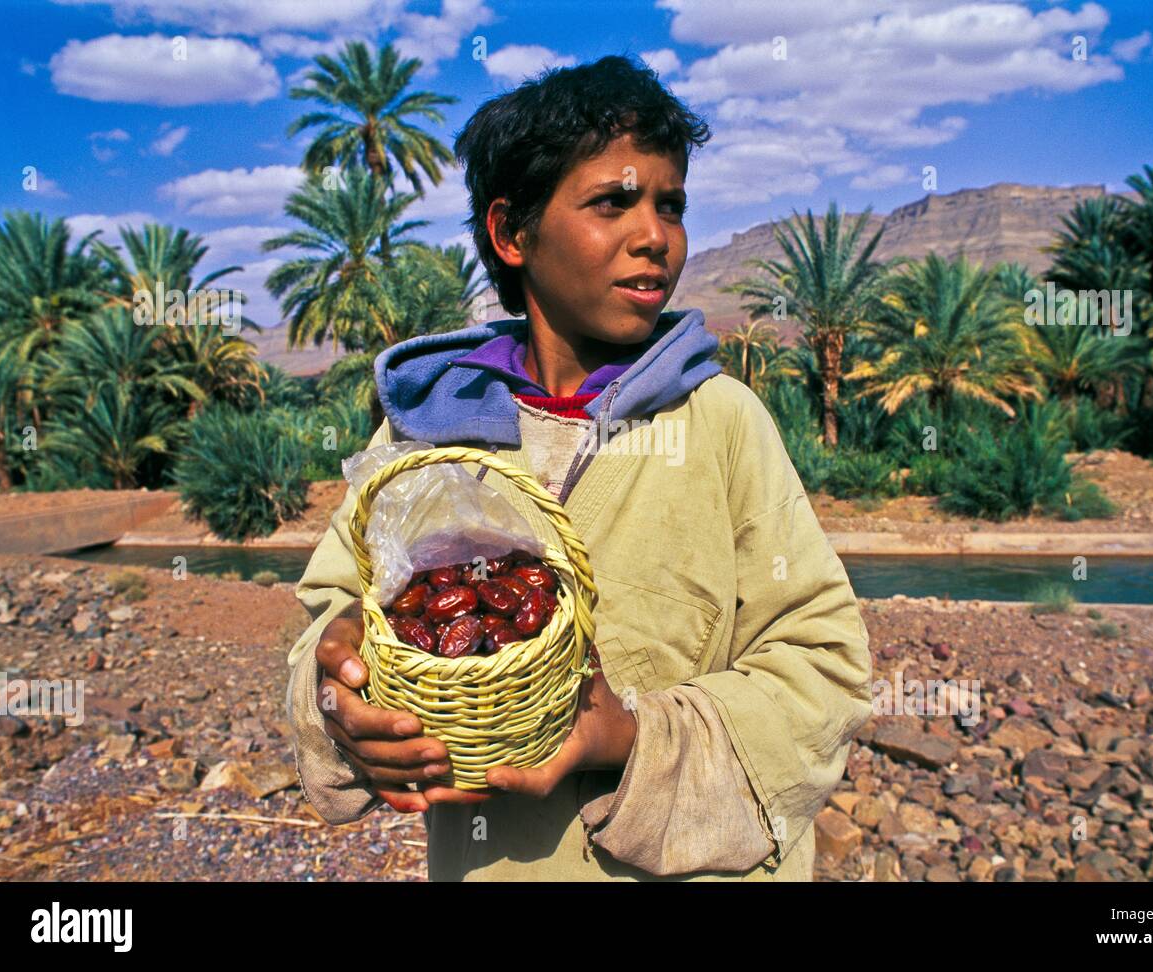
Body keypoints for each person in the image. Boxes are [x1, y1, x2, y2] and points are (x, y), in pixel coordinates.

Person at [285, 53, 873, 881]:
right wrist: (339, 693)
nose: (655, 236)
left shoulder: (718, 421)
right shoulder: (426, 428)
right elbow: (331, 617)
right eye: (612, 203)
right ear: (511, 233)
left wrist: (629, 735)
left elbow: (826, 666)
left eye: (672, 205)